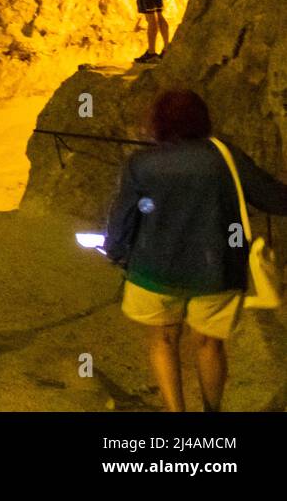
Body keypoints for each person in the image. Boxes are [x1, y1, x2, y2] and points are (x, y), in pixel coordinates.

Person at [105, 90, 287, 412]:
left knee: (162, 341)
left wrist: (117, 252)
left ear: (158, 122)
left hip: (153, 270)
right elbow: (274, 199)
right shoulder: (225, 156)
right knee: (209, 344)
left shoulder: (141, 164)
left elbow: (123, 217)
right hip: (216, 271)